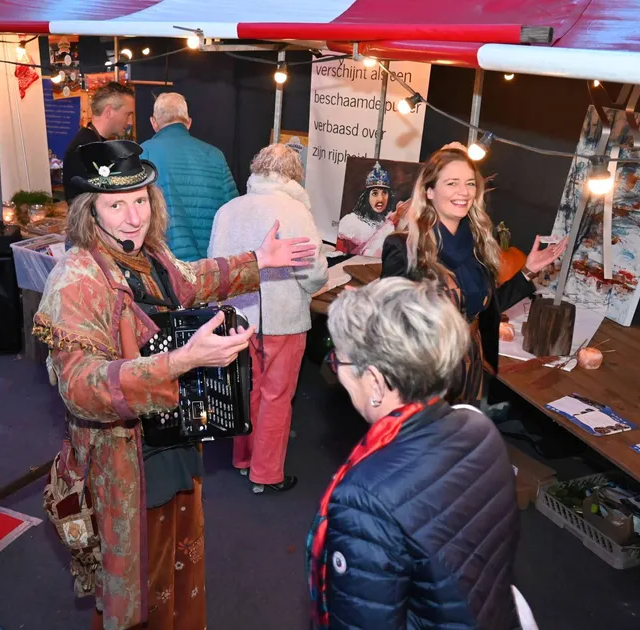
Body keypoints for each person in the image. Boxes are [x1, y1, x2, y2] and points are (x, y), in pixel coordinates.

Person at [33, 139, 315, 630]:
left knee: (176, 571)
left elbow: (193, 279)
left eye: (140, 200)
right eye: (115, 204)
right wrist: (181, 362)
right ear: (89, 212)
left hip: (172, 443)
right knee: (135, 591)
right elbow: (80, 386)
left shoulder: (150, 256)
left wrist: (258, 260)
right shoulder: (76, 278)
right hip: (122, 463)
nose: (132, 216)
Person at [307, 276, 518, 630]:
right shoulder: (479, 429)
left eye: (338, 361)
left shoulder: (364, 499)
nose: (338, 373)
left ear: (374, 382)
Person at [381, 145, 565, 404]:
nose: (463, 192)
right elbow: (390, 326)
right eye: (452, 183)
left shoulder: (479, 246)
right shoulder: (405, 248)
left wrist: (528, 271)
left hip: (469, 366)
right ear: (429, 191)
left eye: (469, 183)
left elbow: (484, 308)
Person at [208, 143, 327, 493]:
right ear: (293, 174)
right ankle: (267, 473)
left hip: (238, 317)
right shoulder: (295, 211)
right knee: (277, 395)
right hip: (282, 317)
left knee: (246, 390)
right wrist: (318, 285)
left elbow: (216, 268)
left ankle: (243, 459)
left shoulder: (228, 210)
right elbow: (313, 273)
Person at [141, 92, 238, 262]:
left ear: (153, 123)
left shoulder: (144, 153)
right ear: (189, 122)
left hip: (166, 263)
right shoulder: (216, 156)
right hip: (210, 264)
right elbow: (233, 211)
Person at [61, 82, 134, 204]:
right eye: (128, 114)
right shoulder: (87, 148)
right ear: (109, 111)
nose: (130, 122)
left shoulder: (91, 142)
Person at [336, 162, 406, 258]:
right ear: (366, 197)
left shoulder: (387, 220)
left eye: (384, 193)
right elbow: (341, 253)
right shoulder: (352, 222)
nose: (380, 199)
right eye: (375, 193)